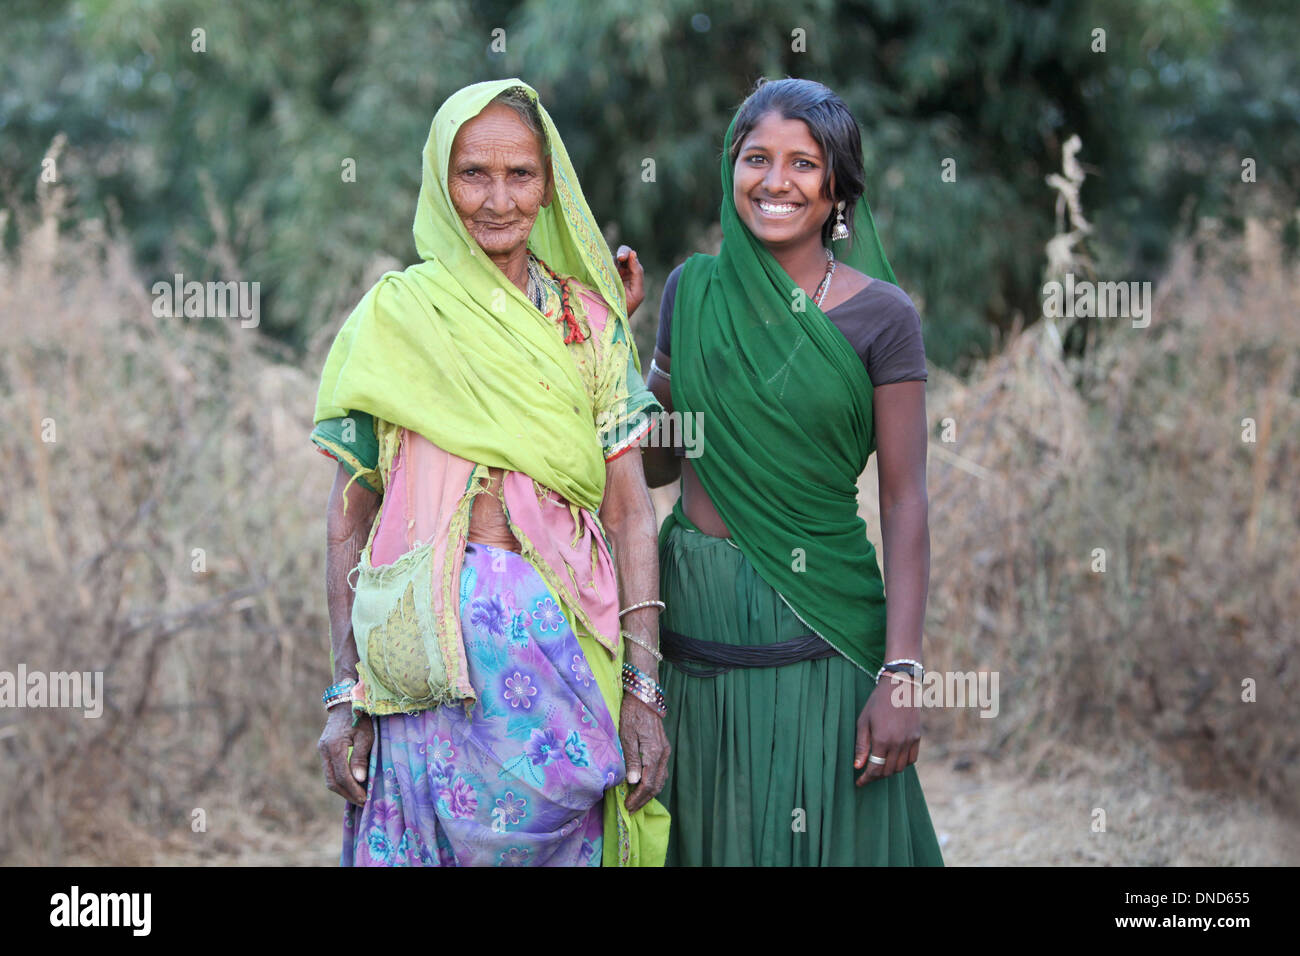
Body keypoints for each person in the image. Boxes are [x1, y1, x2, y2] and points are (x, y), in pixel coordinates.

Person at [311, 79, 670, 867]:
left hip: (567, 667)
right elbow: (347, 520)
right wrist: (345, 694)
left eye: (521, 175)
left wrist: (645, 690)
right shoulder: (396, 319)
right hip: (418, 674)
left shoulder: (587, 324)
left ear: (550, 186)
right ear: (442, 180)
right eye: (474, 173)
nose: (498, 199)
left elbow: (631, 513)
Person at [642, 77, 944, 865]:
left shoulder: (882, 316)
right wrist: (611, 349)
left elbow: (907, 500)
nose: (775, 182)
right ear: (730, 170)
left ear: (836, 185)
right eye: (756, 159)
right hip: (692, 633)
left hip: (819, 632)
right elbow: (655, 463)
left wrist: (902, 675)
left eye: (803, 164)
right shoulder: (693, 291)